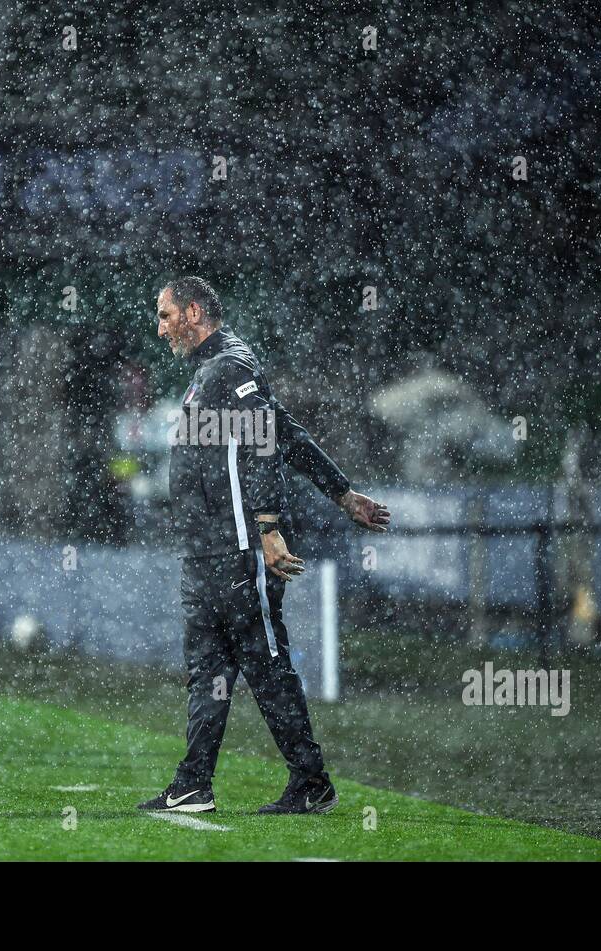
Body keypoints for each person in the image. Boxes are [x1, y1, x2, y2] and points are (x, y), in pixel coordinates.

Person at [138, 277, 389, 814]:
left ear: (193, 311)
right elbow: (287, 432)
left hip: (237, 550)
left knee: (266, 663)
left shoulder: (230, 366)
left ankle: (311, 780)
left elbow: (262, 445)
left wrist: (268, 529)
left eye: (165, 315)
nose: (159, 328)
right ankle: (193, 783)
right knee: (208, 669)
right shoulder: (213, 371)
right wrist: (341, 492)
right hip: (205, 551)